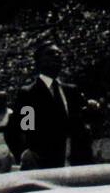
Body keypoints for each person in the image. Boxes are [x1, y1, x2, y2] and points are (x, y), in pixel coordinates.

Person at [5, 42, 85, 170]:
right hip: (43, 164)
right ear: (38, 62)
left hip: (73, 162)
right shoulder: (29, 93)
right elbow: (25, 127)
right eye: (50, 53)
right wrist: (25, 153)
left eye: (59, 53)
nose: (57, 56)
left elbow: (79, 126)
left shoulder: (71, 91)